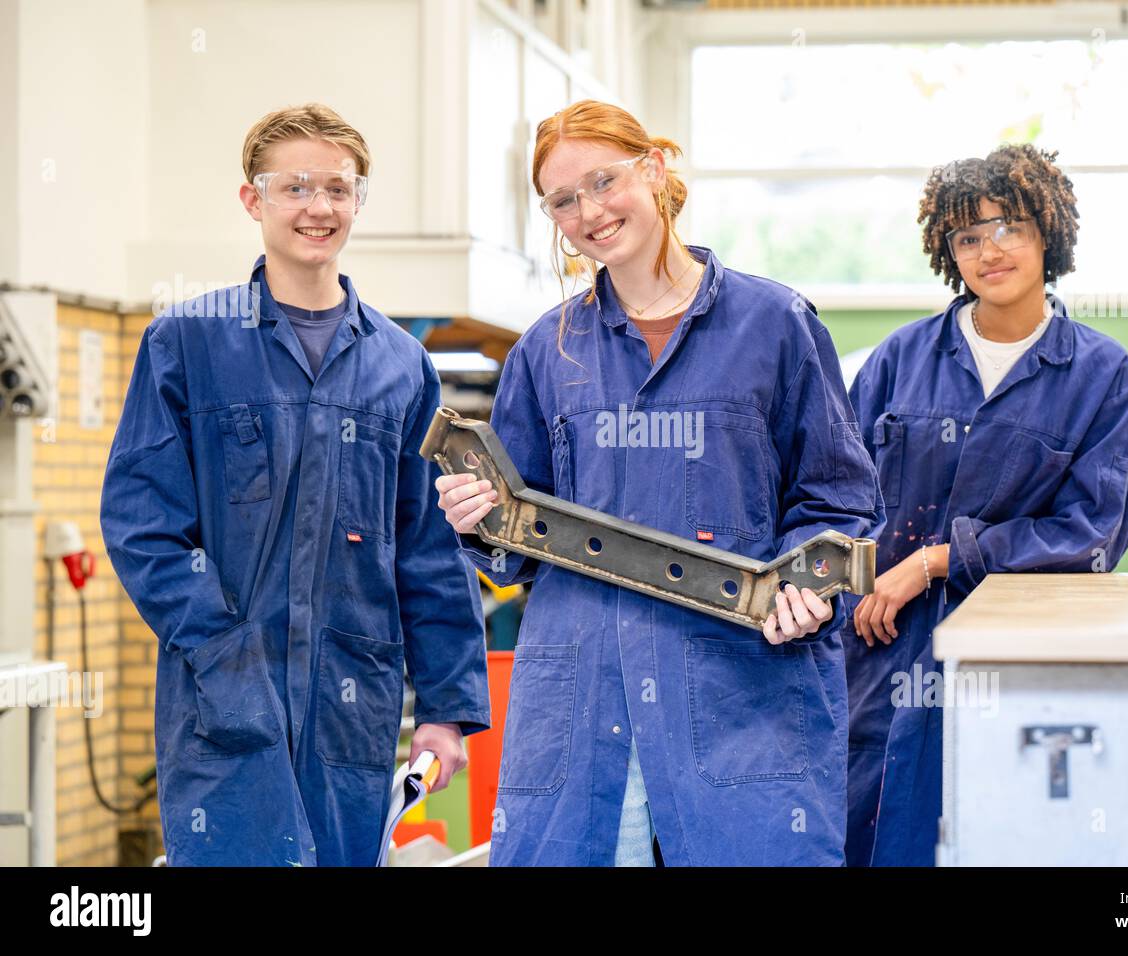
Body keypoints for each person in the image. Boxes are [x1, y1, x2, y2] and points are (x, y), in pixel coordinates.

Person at [436, 99, 885, 866]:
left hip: (741, 693)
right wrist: (475, 516)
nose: (589, 213)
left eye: (602, 181)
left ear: (654, 169)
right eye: (562, 201)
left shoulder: (775, 322)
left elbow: (839, 497)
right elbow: (512, 541)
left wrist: (807, 584)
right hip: (584, 696)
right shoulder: (548, 350)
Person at [101, 104, 489, 866]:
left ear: (358, 200)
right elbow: (143, 524)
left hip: (354, 704)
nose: (320, 208)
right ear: (254, 199)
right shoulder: (188, 342)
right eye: (297, 187)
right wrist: (224, 652)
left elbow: (426, 550)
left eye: (339, 190)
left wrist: (447, 708)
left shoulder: (400, 365)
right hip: (222, 702)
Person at [844, 144, 1128, 866]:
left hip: (1012, 654)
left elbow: (1093, 533)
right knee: (866, 826)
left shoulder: (1102, 377)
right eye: (968, 236)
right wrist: (848, 584)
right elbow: (840, 491)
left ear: (1048, 233)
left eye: (1008, 226)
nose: (990, 250)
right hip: (882, 647)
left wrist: (941, 560)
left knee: (998, 831)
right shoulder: (898, 360)